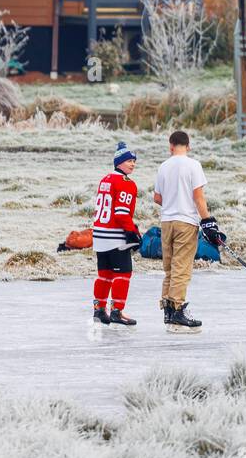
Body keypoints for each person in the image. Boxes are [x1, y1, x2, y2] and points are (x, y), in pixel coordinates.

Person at [152, 129, 221, 332]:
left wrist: (172, 201)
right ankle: (177, 311)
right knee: (182, 267)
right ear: (188, 146)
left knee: (170, 268)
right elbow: (198, 197)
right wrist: (208, 221)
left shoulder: (163, 166)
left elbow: (157, 198)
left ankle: (168, 310)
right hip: (186, 222)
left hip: (166, 222)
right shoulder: (193, 165)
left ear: (170, 146)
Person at [91, 141, 144, 326]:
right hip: (115, 237)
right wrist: (133, 233)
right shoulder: (126, 183)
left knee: (104, 274)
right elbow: (121, 213)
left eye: (134, 161)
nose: (132, 164)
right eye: (128, 160)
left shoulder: (105, 179)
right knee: (123, 274)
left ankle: (99, 309)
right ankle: (117, 311)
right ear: (118, 162)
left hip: (99, 234)